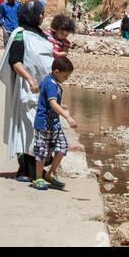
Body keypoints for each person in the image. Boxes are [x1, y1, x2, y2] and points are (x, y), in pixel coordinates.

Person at [0, 0, 53, 182]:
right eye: (40, 12)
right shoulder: (20, 35)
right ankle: (26, 168)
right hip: (27, 91)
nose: (42, 16)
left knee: (40, 128)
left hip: (42, 90)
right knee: (28, 127)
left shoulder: (39, 35)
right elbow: (15, 61)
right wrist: (29, 79)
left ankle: (34, 169)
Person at [31, 55, 77, 191]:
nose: (66, 79)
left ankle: (51, 172)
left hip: (54, 123)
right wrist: (67, 117)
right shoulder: (51, 84)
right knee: (42, 150)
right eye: (65, 76)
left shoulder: (49, 80)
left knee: (62, 146)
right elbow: (52, 103)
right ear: (57, 72)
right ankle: (38, 177)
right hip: (44, 122)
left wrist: (35, 89)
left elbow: (40, 88)